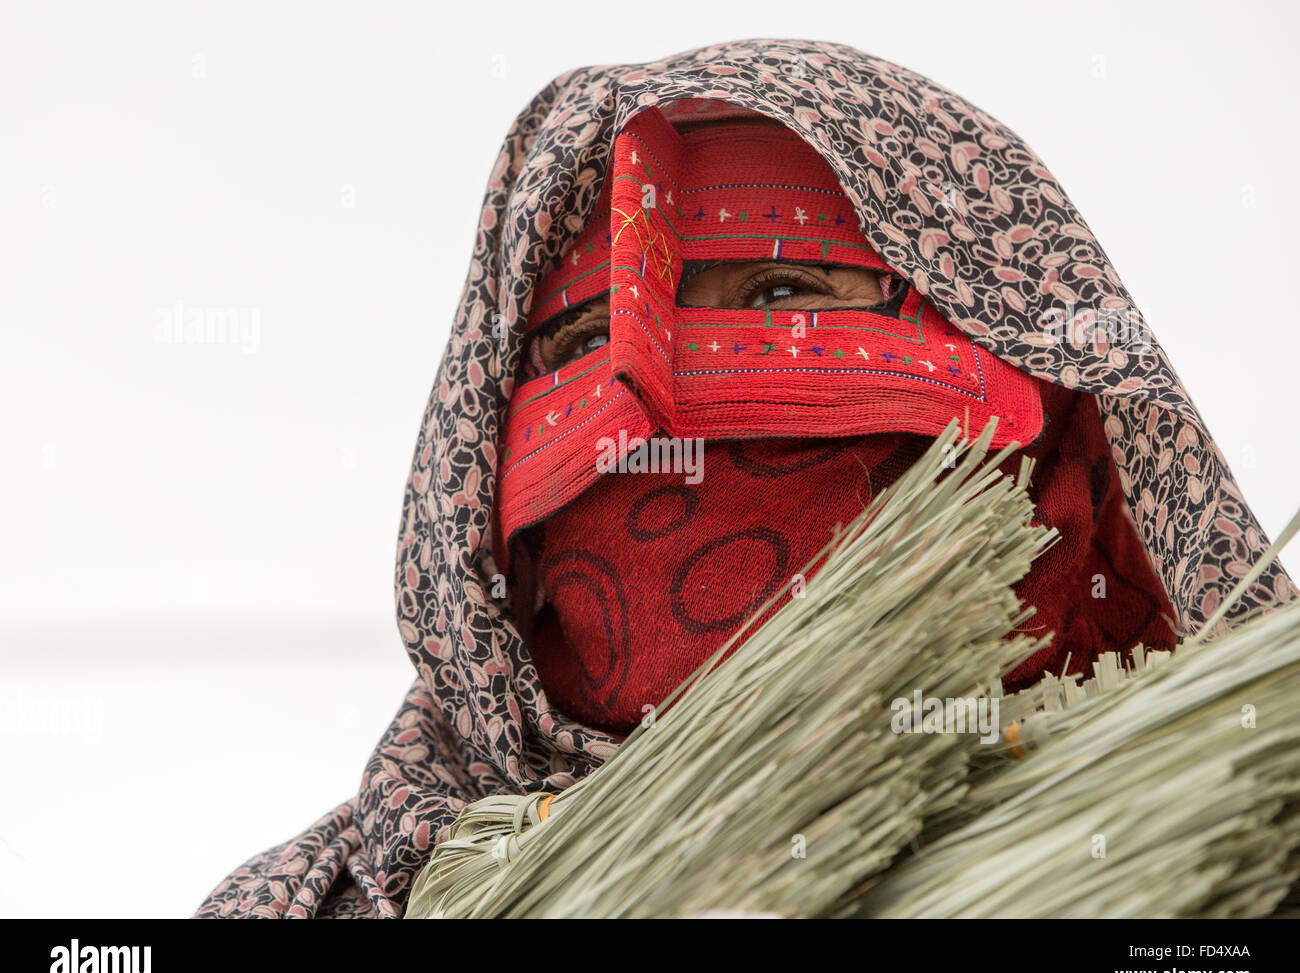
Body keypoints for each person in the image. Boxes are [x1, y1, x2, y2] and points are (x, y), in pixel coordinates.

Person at [195, 40, 1294, 918]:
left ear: (1043, 390)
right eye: (580, 335)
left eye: (782, 293)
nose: (653, 408)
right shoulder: (326, 905)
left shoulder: (1231, 837)